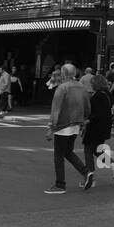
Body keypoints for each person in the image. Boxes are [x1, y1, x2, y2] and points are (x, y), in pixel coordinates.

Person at [44, 64, 92, 194]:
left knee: (59, 155)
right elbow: (88, 106)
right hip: (76, 124)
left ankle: (60, 184)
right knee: (68, 152)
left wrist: (51, 127)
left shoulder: (62, 88)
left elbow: (56, 109)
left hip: (63, 125)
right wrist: (84, 120)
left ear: (64, 74)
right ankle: (86, 171)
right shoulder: (81, 87)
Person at [82, 72, 114, 186]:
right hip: (104, 127)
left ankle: (90, 176)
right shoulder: (107, 94)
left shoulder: (98, 95)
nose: (91, 85)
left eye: (92, 83)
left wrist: (88, 120)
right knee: (98, 150)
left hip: (95, 127)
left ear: (96, 84)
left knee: (88, 150)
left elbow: (97, 113)